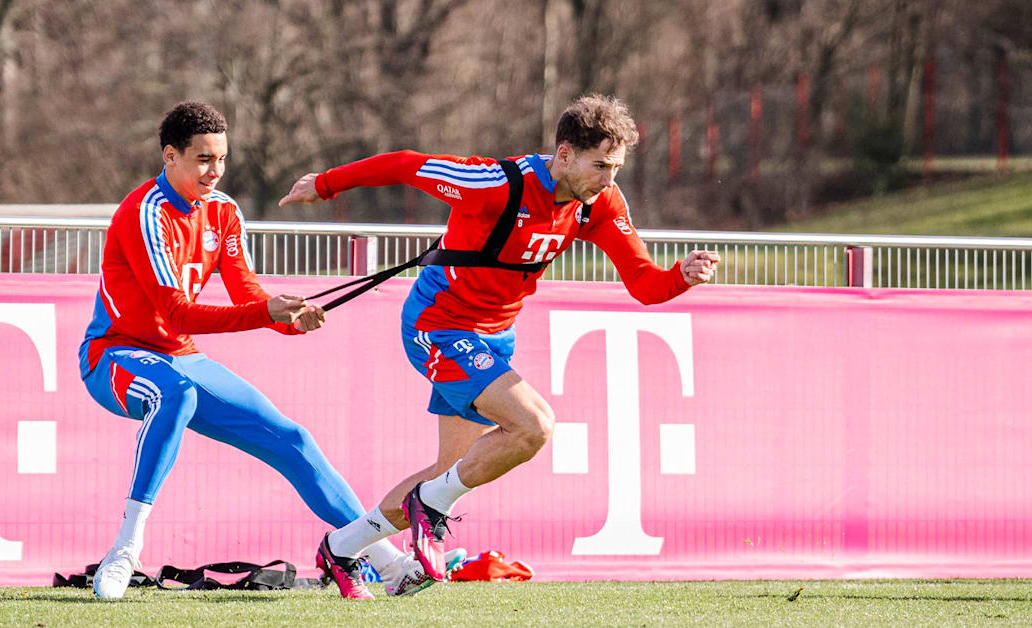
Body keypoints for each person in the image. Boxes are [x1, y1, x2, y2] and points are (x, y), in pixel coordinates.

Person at [279, 94, 720, 597]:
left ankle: (340, 550)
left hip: (494, 335)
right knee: (534, 426)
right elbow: (404, 165)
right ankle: (432, 507)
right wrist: (324, 184)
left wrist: (680, 277)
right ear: (564, 154)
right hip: (438, 325)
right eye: (600, 165)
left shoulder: (600, 203)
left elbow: (644, 284)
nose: (609, 179)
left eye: (616, 167)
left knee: (448, 472)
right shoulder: (494, 183)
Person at [79, 101, 433, 600]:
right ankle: (125, 549)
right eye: (202, 159)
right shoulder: (145, 213)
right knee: (175, 395)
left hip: (180, 357)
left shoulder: (223, 211)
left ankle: (386, 560)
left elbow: (247, 293)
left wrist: (286, 319)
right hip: (113, 356)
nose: (215, 171)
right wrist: (267, 314)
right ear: (170, 156)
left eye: (221, 158)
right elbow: (177, 313)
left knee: (293, 439)